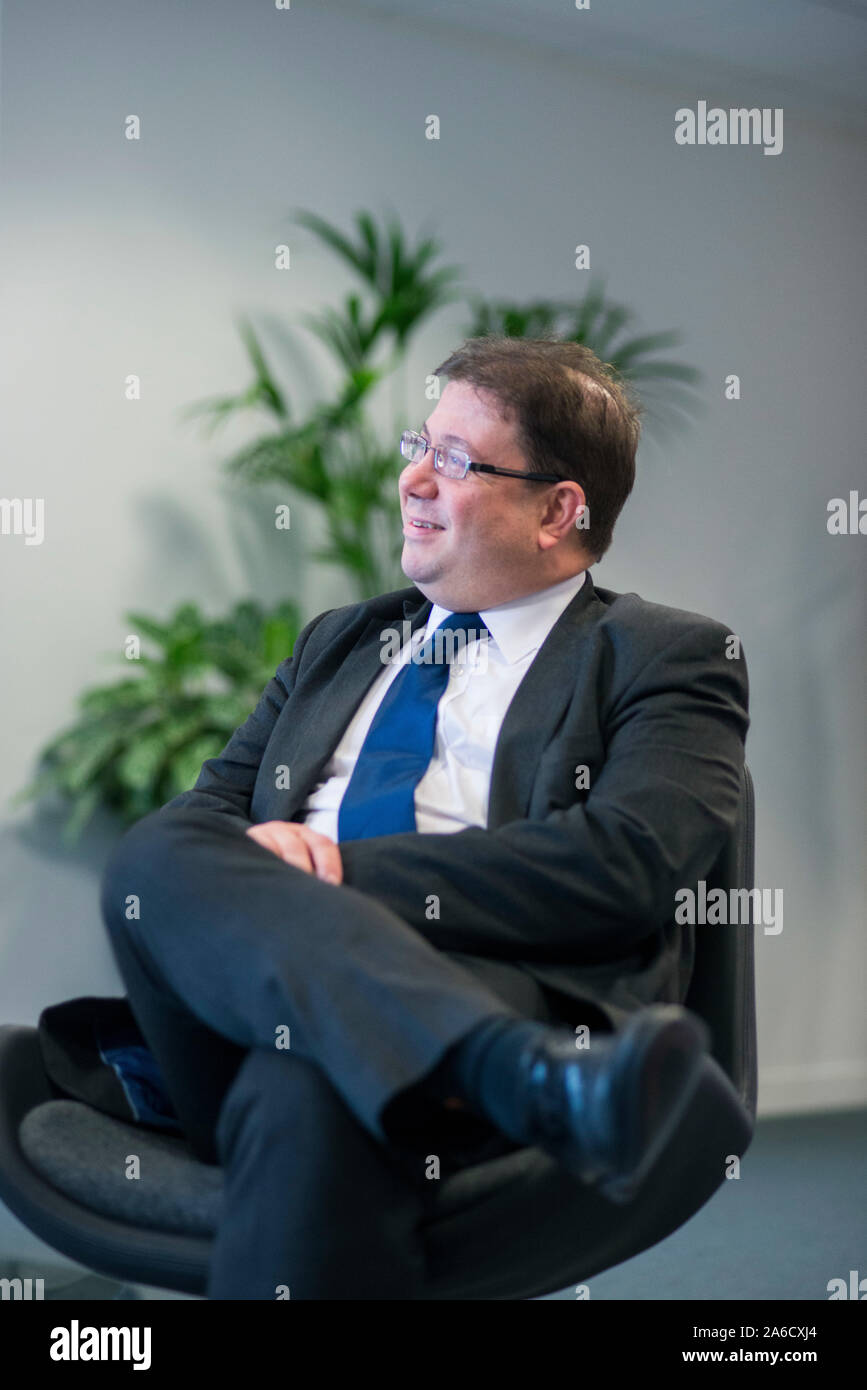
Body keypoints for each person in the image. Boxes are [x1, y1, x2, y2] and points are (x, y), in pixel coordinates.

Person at [100, 335, 749, 1300]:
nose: (411, 479)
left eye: (454, 460)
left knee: (311, 1087)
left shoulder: (662, 653)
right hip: (249, 1004)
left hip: (494, 977)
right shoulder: (340, 641)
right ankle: (513, 1075)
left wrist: (330, 873)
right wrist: (285, 877)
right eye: (420, 444)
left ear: (557, 510)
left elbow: (627, 864)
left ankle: (478, 1057)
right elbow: (210, 820)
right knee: (156, 850)